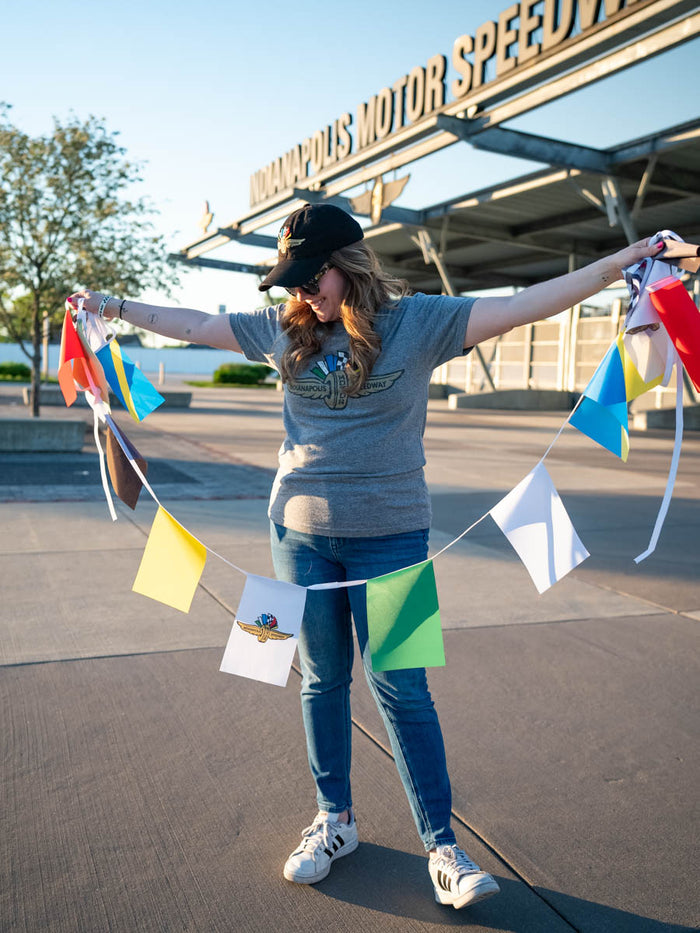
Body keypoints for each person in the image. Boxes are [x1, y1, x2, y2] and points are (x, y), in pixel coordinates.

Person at [69, 203, 663, 911]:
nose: (298, 295)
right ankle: (335, 820)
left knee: (404, 686)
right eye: (289, 281)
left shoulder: (420, 323)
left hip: (396, 537)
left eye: (307, 278)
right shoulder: (283, 329)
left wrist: (620, 263)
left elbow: (523, 305)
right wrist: (109, 305)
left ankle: (443, 846)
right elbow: (195, 325)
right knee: (321, 680)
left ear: (345, 265)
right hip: (297, 538)